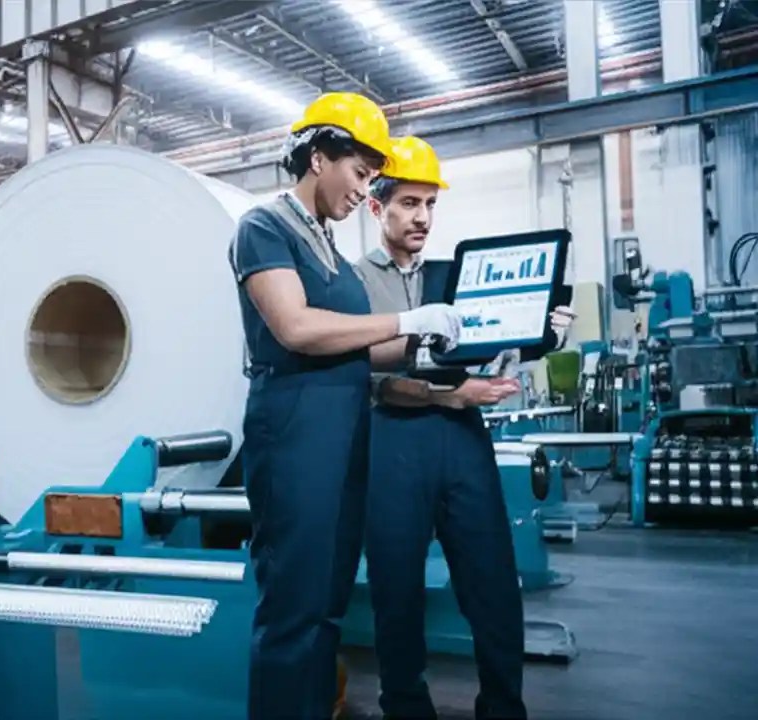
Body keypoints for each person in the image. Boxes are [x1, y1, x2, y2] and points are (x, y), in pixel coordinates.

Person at [227, 94, 465, 720]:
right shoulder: (264, 228)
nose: (366, 190)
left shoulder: (330, 247)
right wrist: (406, 316)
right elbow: (298, 329)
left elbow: (365, 351)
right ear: (317, 157)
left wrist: (443, 341)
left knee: (327, 605)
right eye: (360, 173)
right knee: (292, 609)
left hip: (344, 438)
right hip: (295, 433)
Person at [353, 135, 576, 720]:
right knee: (395, 590)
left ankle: (503, 708)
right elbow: (369, 380)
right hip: (394, 442)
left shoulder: (454, 275)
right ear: (377, 207)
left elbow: (494, 341)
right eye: (407, 203)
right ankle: (406, 708)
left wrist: (545, 332)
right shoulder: (353, 284)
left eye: (429, 204)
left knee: (493, 584)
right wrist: (447, 394)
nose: (422, 216)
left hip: (463, 440)